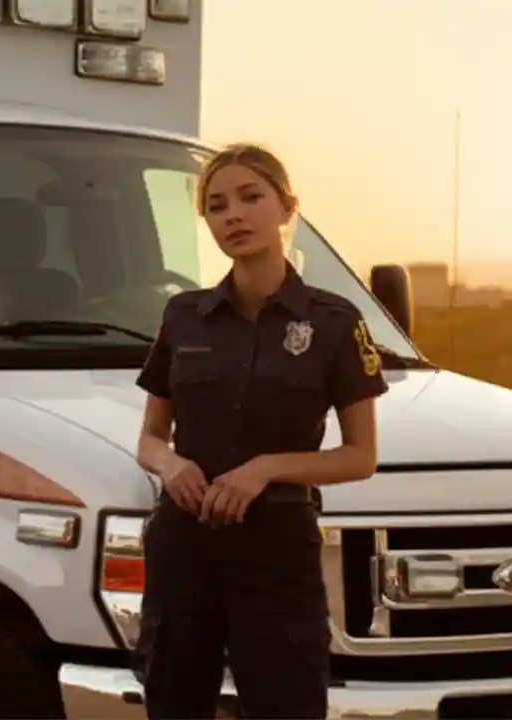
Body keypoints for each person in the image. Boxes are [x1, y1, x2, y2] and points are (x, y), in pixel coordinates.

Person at [133, 143, 388, 719]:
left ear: (285, 207)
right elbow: (151, 437)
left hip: (277, 546)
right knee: (174, 705)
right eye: (218, 206)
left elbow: (360, 456)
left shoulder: (334, 322)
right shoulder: (183, 316)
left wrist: (265, 469)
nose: (234, 216)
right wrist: (172, 467)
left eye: (251, 197)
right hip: (184, 544)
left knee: (287, 706)